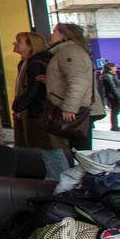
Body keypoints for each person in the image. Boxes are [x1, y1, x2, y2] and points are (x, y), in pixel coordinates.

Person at [37, 22, 104, 180]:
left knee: (80, 154)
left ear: (64, 35)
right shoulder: (68, 51)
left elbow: (78, 81)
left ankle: (86, 186)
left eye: (54, 31)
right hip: (78, 108)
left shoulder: (70, 51)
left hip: (77, 110)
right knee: (78, 152)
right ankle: (82, 184)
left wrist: (70, 107)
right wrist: (51, 80)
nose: (51, 34)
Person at [11, 32, 51, 151]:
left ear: (30, 45)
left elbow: (32, 89)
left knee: (42, 147)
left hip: (37, 110)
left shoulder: (35, 63)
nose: (15, 43)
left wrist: (19, 105)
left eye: (19, 41)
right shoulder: (25, 63)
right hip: (31, 110)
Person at [101, 61, 120, 131]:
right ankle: (114, 126)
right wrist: (118, 97)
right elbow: (113, 88)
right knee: (115, 111)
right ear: (111, 67)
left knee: (115, 111)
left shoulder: (111, 75)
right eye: (115, 66)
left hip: (114, 96)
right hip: (114, 96)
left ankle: (115, 126)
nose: (116, 68)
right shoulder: (108, 76)